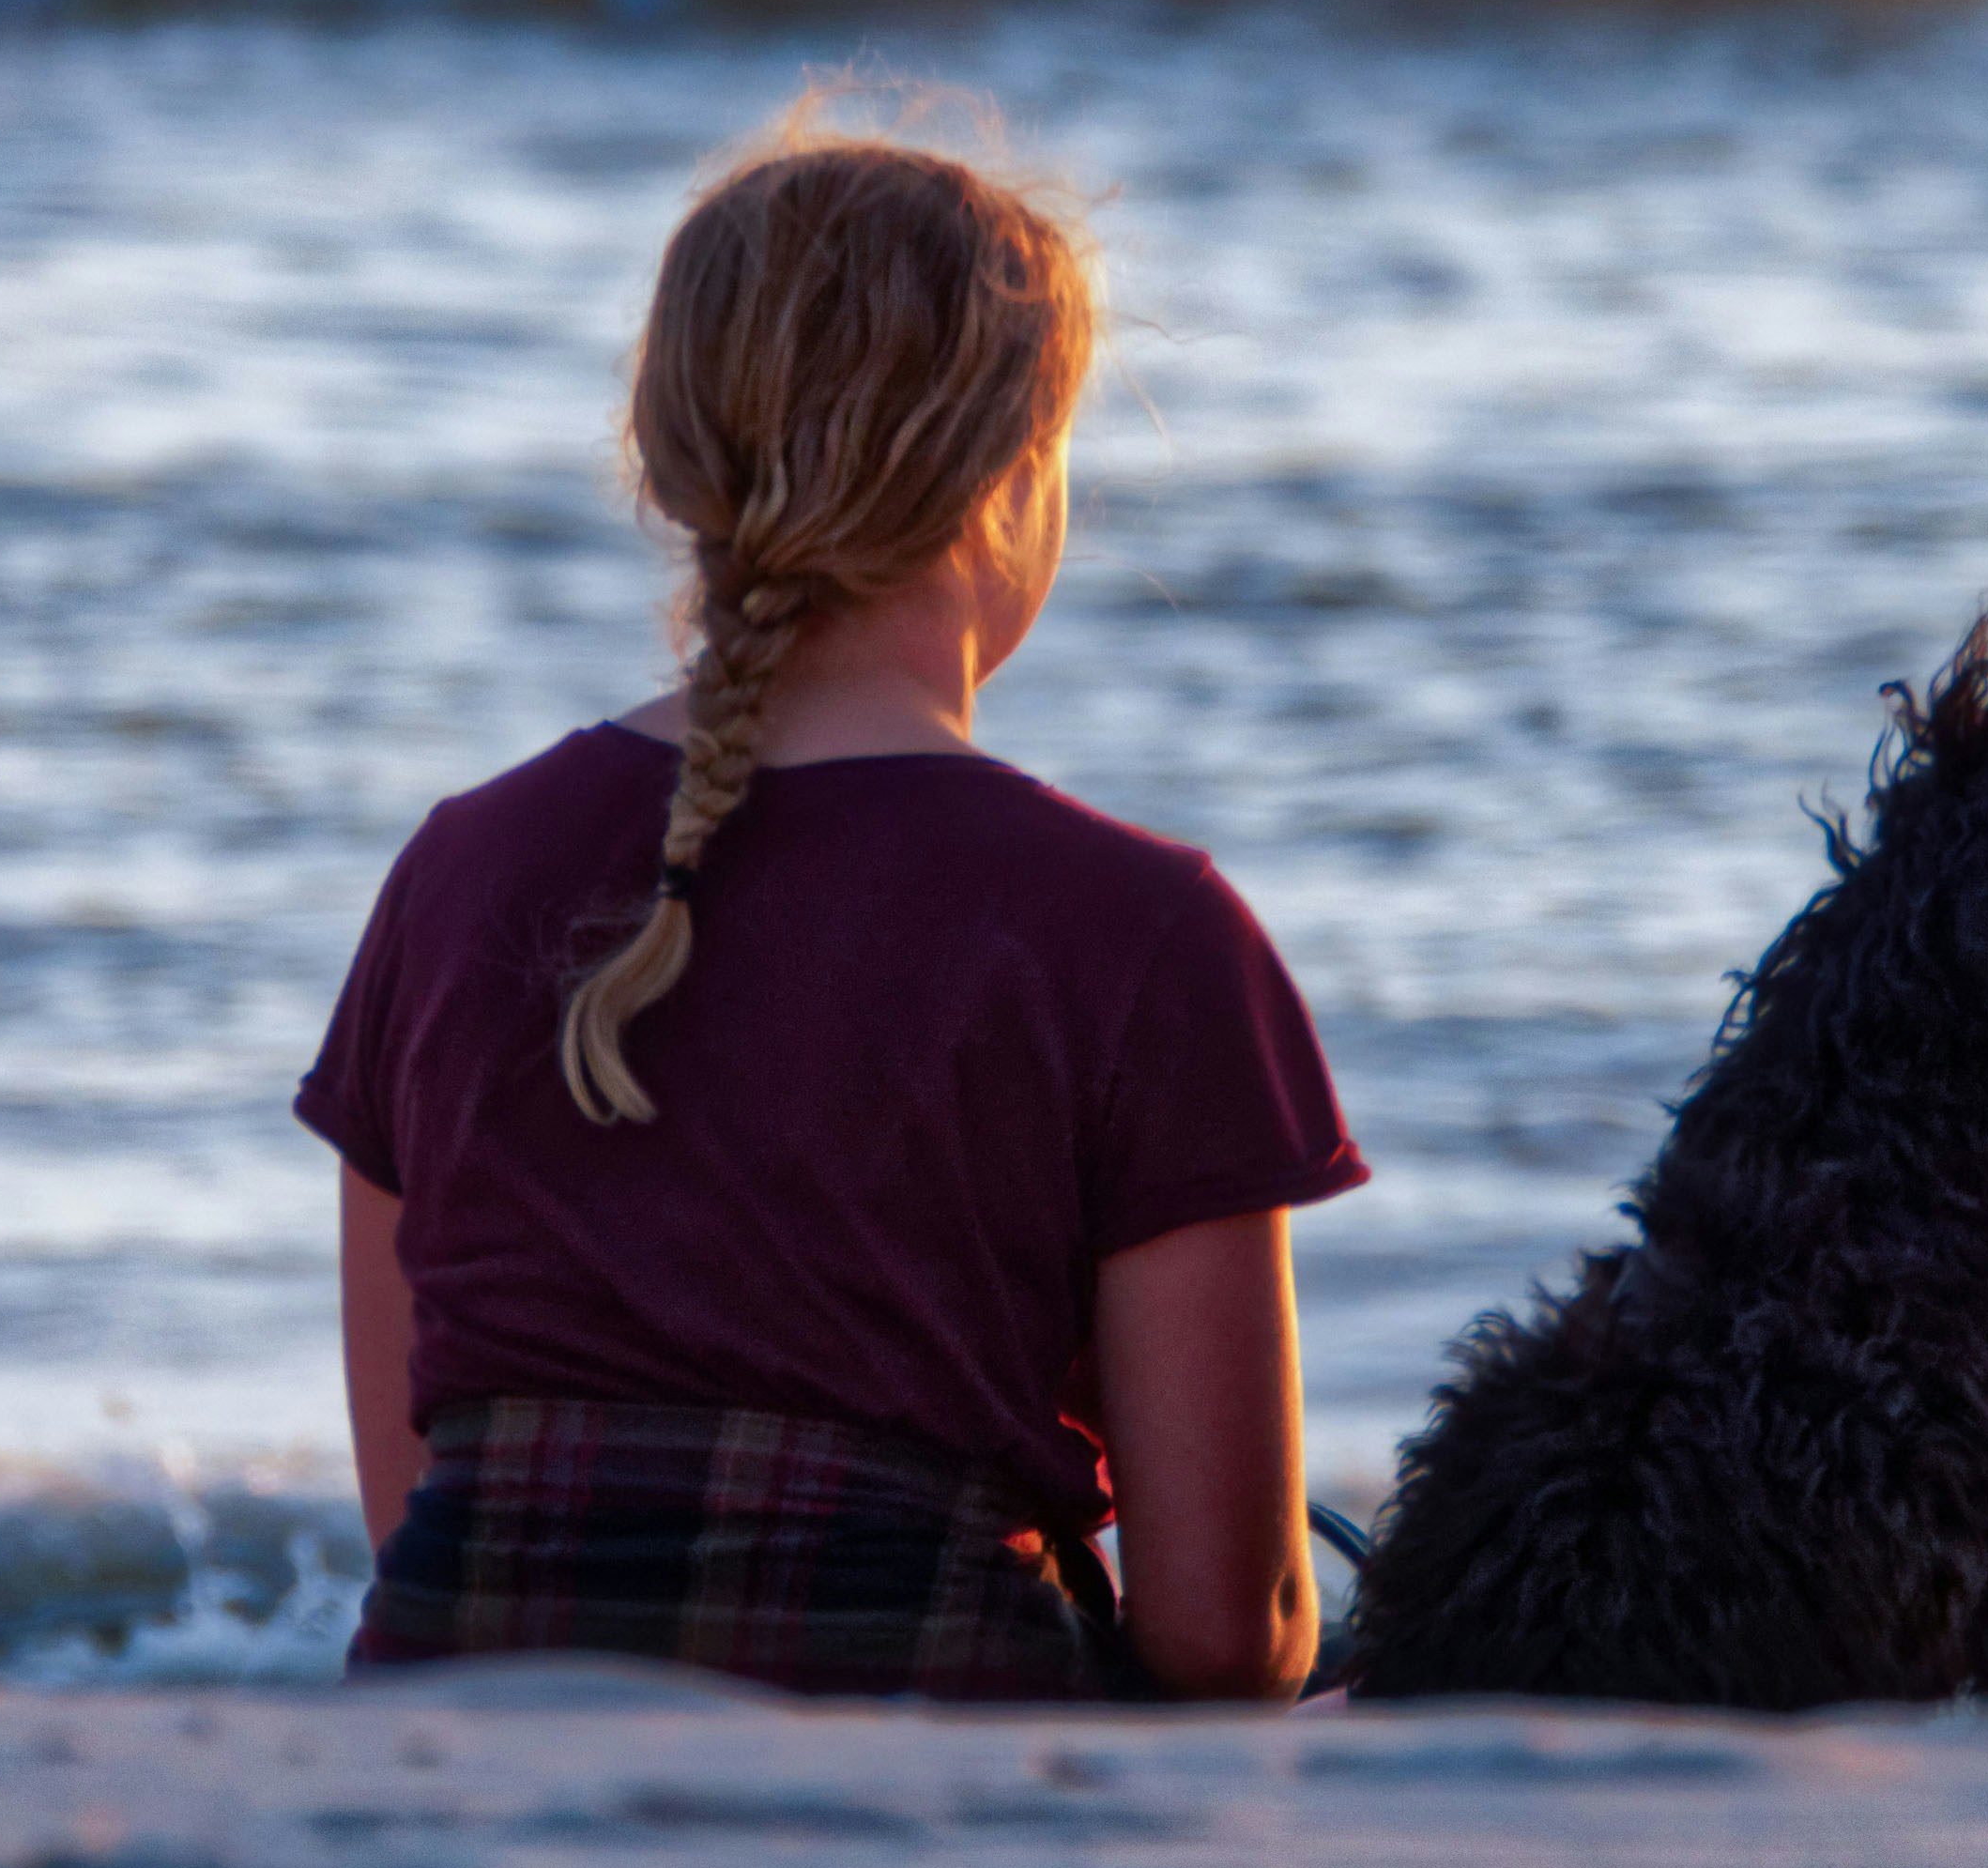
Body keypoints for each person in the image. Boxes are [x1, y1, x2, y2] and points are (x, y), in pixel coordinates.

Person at [295, 115, 1366, 1701]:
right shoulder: (1144, 933)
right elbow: (1222, 1633)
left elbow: (423, 1507)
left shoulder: (455, 870)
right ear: (1015, 477)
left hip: (463, 1732)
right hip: (928, 1751)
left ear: (669, 461)